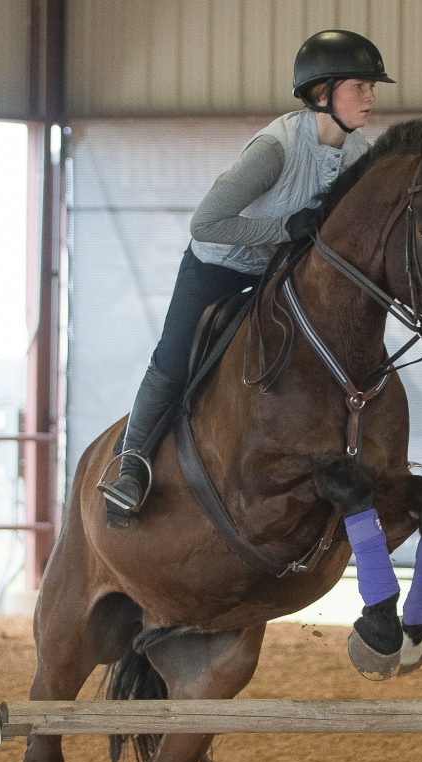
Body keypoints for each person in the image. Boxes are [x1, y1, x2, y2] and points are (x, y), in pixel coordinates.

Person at [99, 29, 395, 516]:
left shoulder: (359, 154)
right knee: (174, 358)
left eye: (372, 87)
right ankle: (129, 465)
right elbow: (206, 223)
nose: (370, 97)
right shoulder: (275, 148)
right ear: (322, 94)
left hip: (278, 273)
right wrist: (285, 227)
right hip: (218, 265)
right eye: (359, 86)